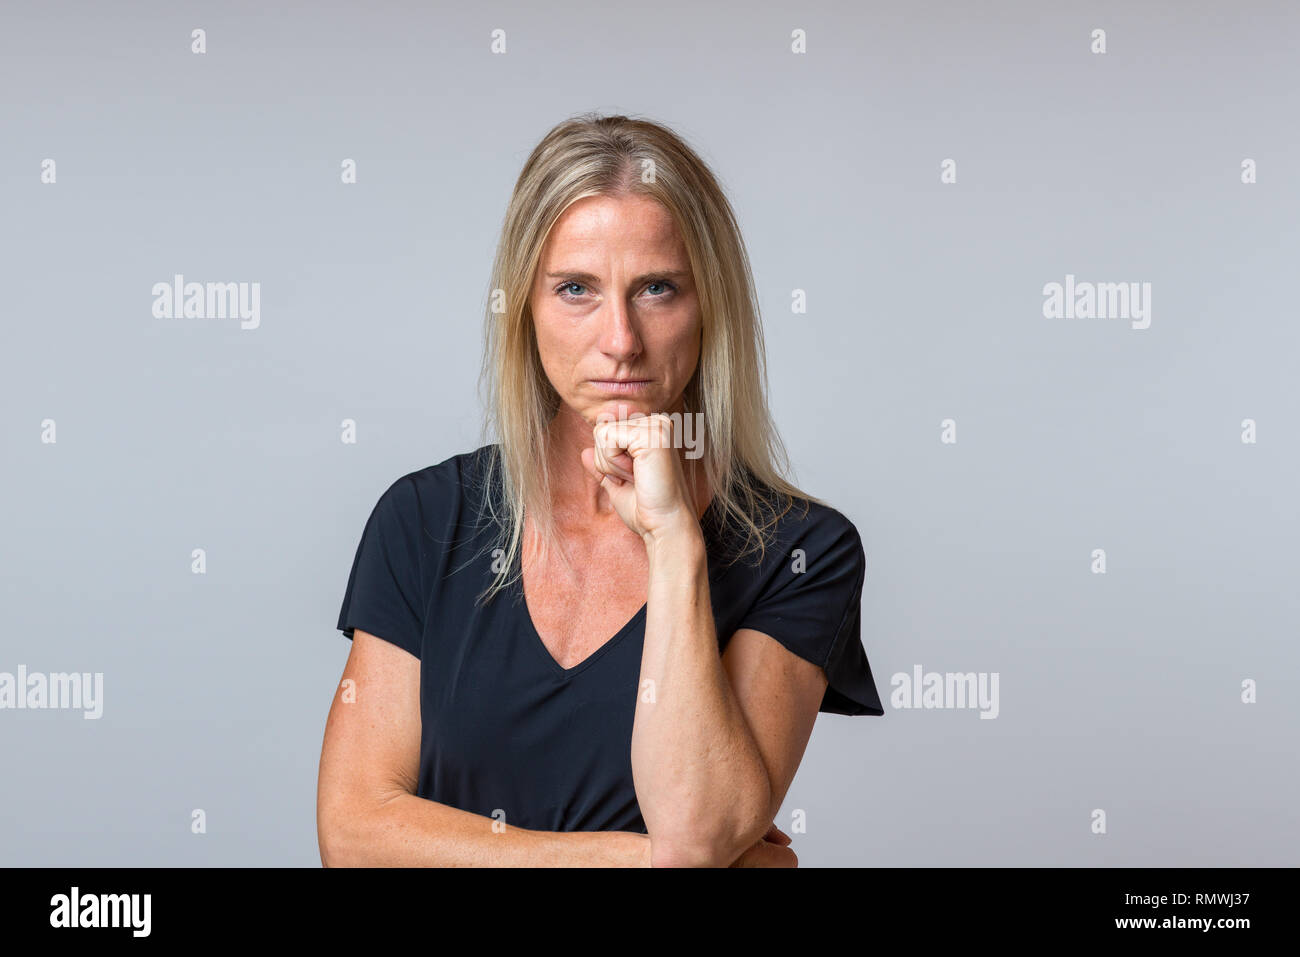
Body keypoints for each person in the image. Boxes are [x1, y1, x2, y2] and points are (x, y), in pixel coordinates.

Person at [317, 112, 884, 867]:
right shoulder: (425, 519)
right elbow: (354, 834)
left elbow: (699, 826)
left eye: (656, 287)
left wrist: (674, 539)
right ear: (525, 305)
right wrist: (636, 859)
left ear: (709, 304)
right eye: (576, 288)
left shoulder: (802, 552)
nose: (620, 339)